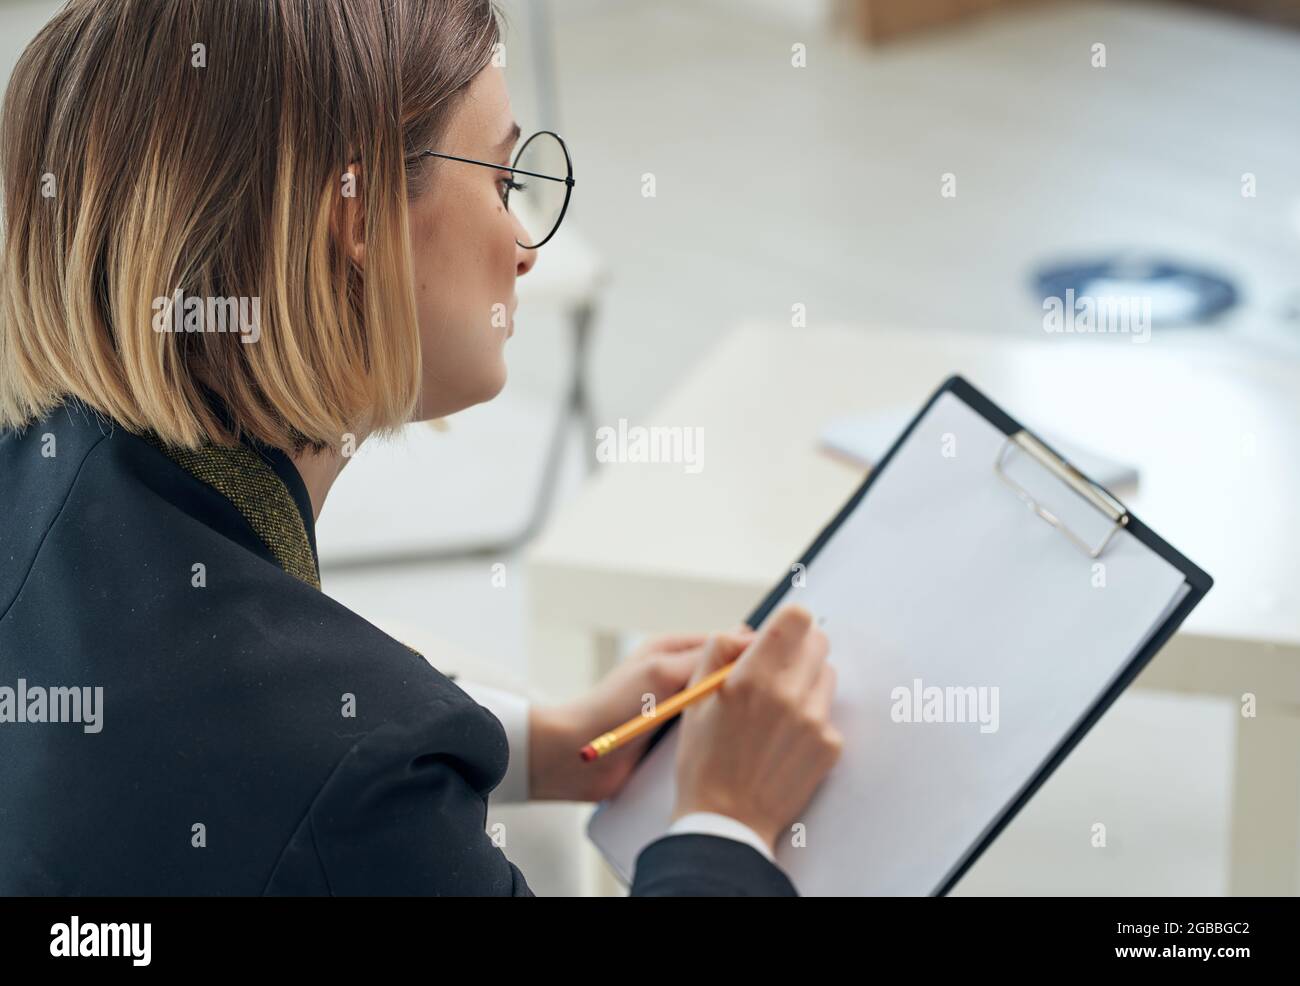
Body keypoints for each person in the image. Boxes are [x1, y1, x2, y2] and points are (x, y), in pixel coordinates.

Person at [0, 0, 841, 896]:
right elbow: (305, 770)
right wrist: (727, 818)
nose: (523, 246)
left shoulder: (37, 469)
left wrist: (534, 747)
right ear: (356, 218)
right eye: (504, 179)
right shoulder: (356, 794)